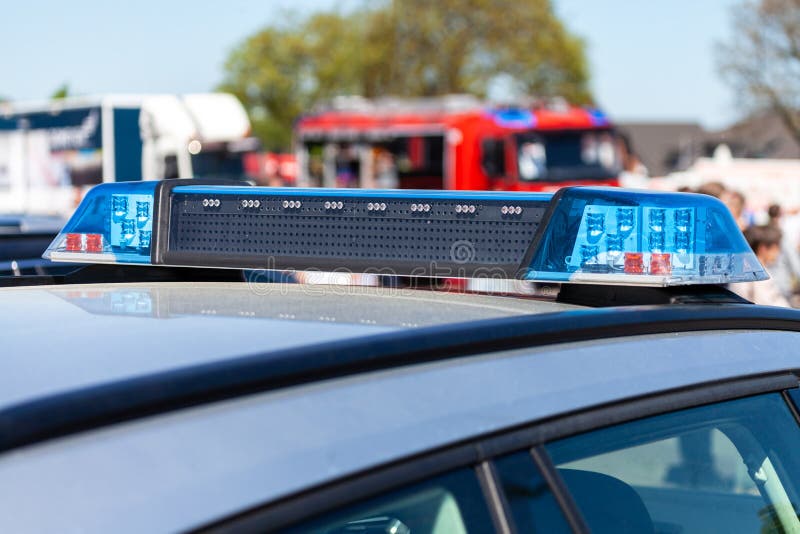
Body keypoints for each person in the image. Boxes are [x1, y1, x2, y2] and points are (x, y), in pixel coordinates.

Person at [730, 225, 790, 307]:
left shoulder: (744, 271)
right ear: (763, 249)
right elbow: (770, 305)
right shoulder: (756, 275)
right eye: (775, 248)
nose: (778, 252)